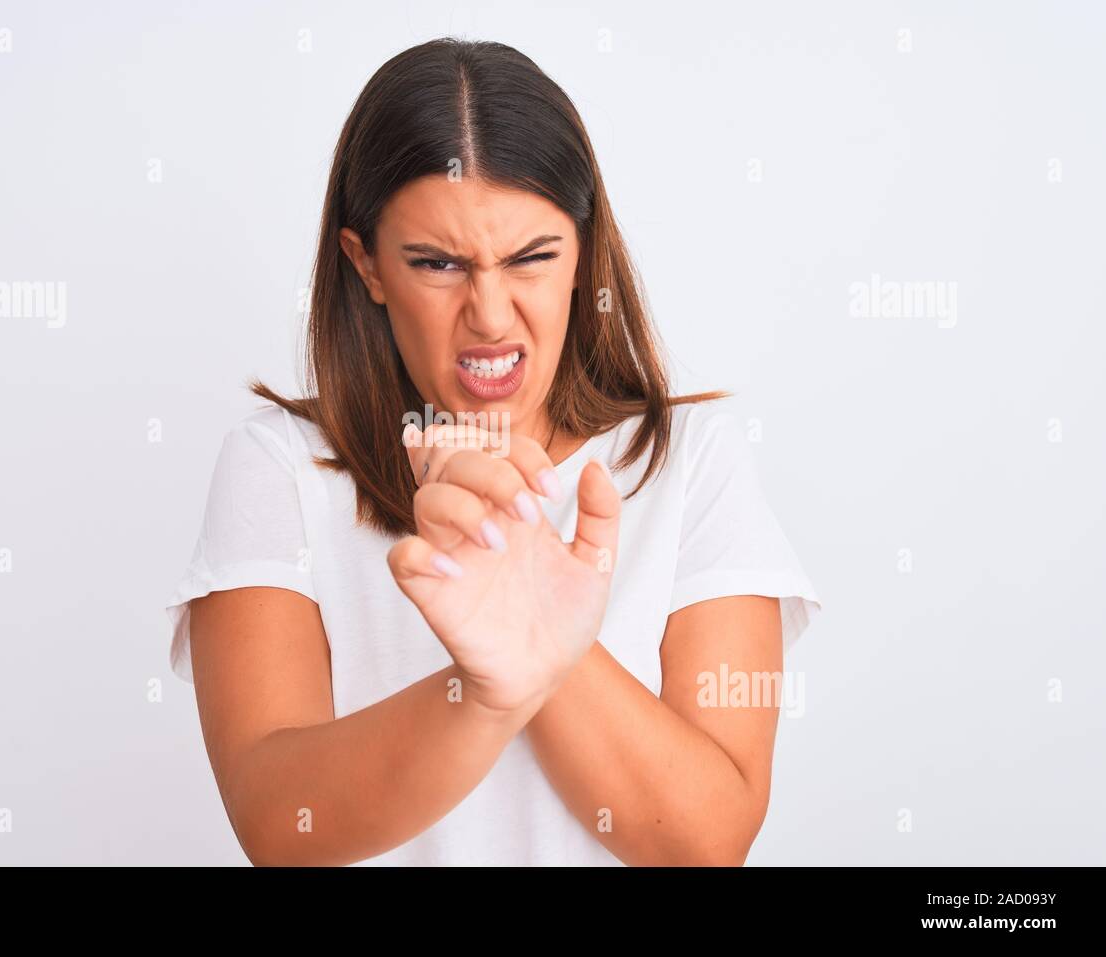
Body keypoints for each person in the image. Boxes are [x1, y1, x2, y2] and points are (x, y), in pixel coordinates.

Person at [166, 37, 820, 866]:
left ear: (582, 254)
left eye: (531, 258)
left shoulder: (688, 458)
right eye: (437, 263)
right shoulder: (280, 469)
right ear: (365, 263)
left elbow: (708, 840)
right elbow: (278, 823)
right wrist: (482, 691)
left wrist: (546, 638)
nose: (491, 315)